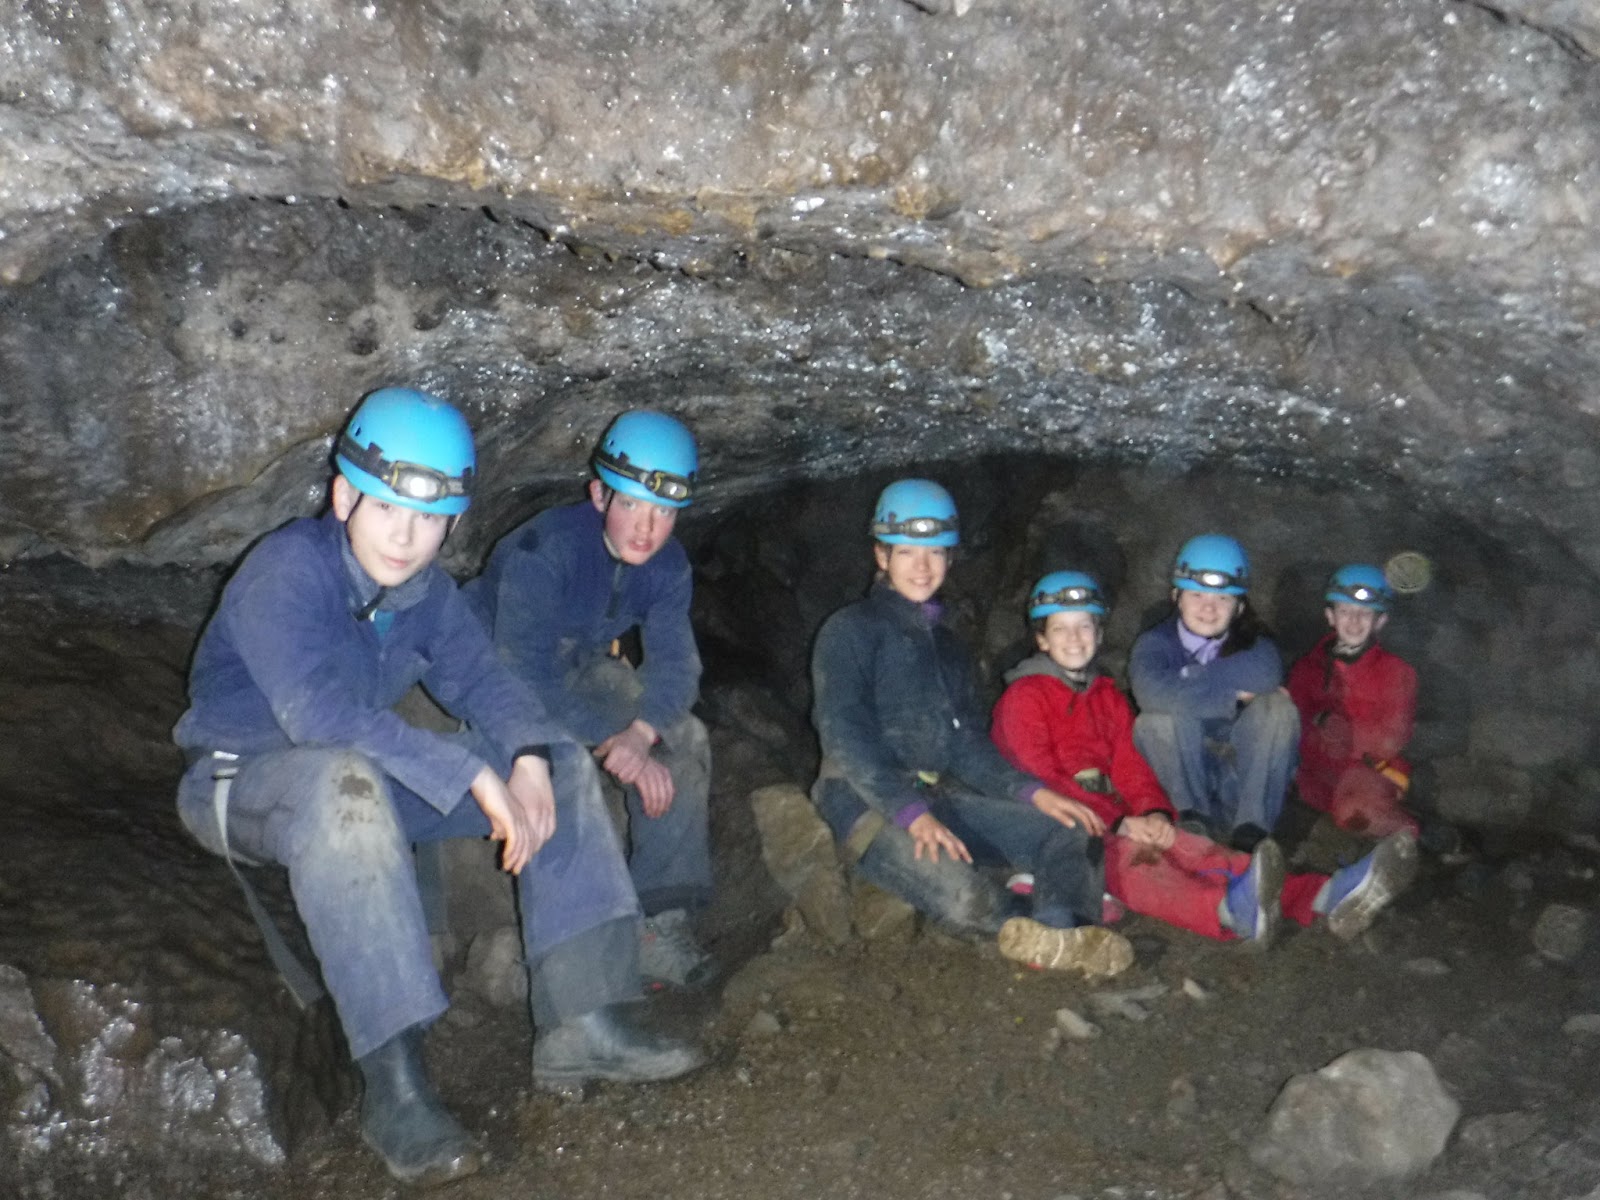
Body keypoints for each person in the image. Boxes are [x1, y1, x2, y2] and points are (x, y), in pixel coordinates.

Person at [172, 388, 702, 1187]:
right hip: (241, 779)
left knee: (556, 757)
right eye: (387, 508)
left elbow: (486, 681)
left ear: (451, 524)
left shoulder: (427, 595)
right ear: (344, 494)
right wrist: (469, 769)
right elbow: (317, 712)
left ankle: (586, 1016)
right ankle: (397, 1085)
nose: (407, 536)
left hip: (368, 778)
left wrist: (522, 751)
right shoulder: (286, 569)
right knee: (344, 787)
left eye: (430, 519)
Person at [808, 479, 1134, 979]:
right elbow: (844, 735)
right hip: (862, 800)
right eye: (907, 551)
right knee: (964, 896)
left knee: (1067, 828)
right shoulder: (850, 630)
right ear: (881, 554)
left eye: (935, 552)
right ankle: (1043, 933)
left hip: (937, 798)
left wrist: (1031, 793)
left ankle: (1060, 923)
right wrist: (911, 812)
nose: (922, 566)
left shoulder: (950, 647)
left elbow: (964, 745)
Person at [992, 570, 1417, 947]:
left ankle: (1327, 894)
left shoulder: (1105, 696)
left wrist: (1154, 811)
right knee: (1139, 867)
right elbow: (1040, 780)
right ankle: (1227, 910)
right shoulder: (1023, 697)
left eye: (1084, 627)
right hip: (1056, 824)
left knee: (1189, 846)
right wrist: (1120, 822)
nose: (1074, 639)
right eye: (1061, 630)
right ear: (1042, 639)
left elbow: (1129, 765)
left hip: (1108, 814)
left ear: (1100, 634)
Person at [469, 409, 714, 989]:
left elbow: (678, 662)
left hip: (579, 664)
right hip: (486, 672)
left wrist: (642, 732)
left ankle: (661, 918)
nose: (647, 528)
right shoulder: (545, 547)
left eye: (664, 511)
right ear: (600, 494)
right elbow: (520, 671)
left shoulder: (668, 566)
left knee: (686, 737)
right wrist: (607, 737)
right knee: (562, 760)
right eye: (632, 503)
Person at [1128, 534, 1299, 853]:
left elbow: (1264, 675)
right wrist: (1231, 699)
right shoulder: (1154, 643)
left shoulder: (1256, 643)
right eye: (1197, 595)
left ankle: (1252, 831)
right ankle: (1192, 823)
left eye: (1223, 599)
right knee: (1153, 721)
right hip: (1186, 777)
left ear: (1239, 607)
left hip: (1238, 779)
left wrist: (1182, 683)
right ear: (1176, 596)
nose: (1208, 608)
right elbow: (1149, 693)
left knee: (1278, 708)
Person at [1287, 564, 1420, 839]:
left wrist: (1344, 732)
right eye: (1345, 611)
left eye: (1365, 613)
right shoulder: (1307, 668)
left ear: (1379, 621)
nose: (1354, 621)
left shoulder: (1396, 671)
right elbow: (1295, 720)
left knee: (1355, 813)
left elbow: (1392, 737)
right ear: (1330, 616)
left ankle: (1413, 836)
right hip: (1317, 774)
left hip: (1370, 773)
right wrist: (1319, 728)